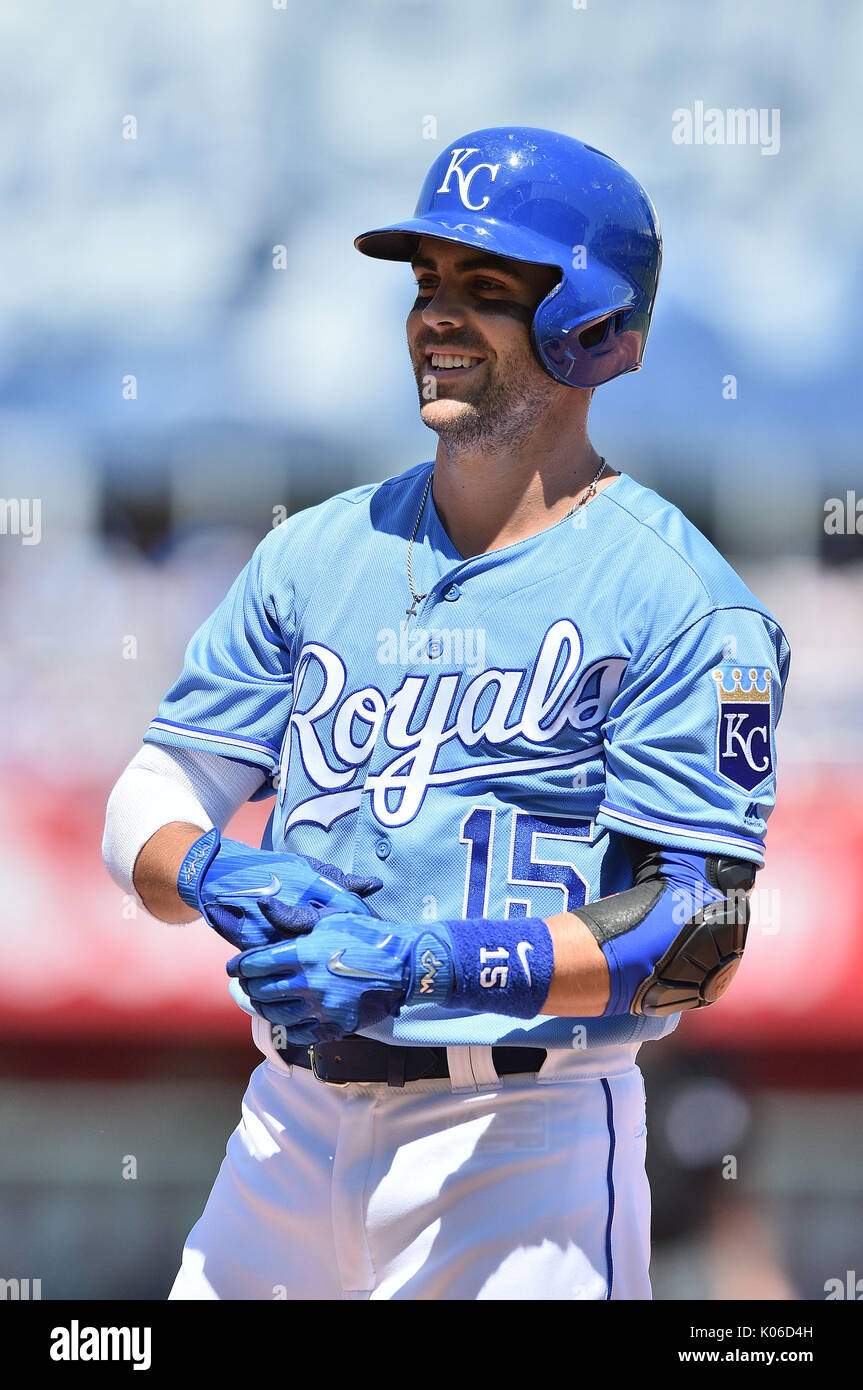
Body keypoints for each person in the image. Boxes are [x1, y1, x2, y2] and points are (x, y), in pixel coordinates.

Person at [103, 127, 789, 1301]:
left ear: (586, 325)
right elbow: (146, 800)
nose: (435, 317)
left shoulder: (679, 600)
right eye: (424, 283)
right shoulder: (312, 554)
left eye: (484, 288)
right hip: (283, 1123)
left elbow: (700, 930)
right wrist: (209, 868)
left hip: (525, 1140)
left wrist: (425, 963)